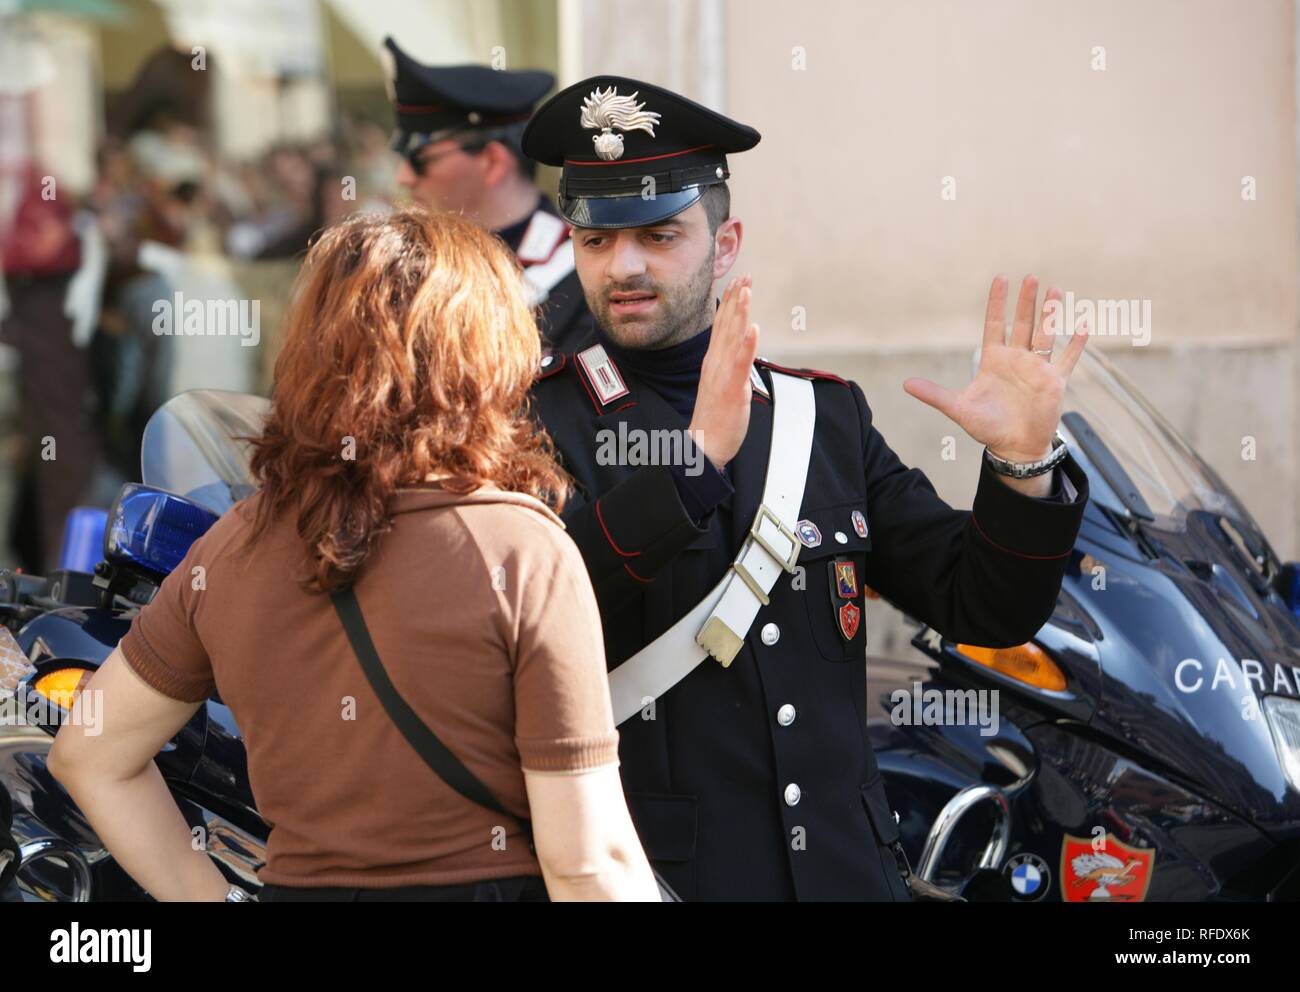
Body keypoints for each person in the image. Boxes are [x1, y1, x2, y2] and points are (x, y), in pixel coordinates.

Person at [521, 76, 1092, 900]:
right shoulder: (534, 424)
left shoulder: (822, 416)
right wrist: (691, 471)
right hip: (666, 881)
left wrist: (1021, 466)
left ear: (725, 246)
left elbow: (982, 606)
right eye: (597, 241)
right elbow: (536, 632)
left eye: (659, 234)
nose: (625, 265)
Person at [48, 209, 659, 902]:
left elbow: (90, 755)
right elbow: (588, 866)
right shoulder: (522, 551)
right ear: (486, 354)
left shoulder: (229, 548)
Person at [385, 37, 595, 353]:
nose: (404, 177)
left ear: (493, 162)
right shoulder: (404, 269)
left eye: (420, 160)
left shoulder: (580, 278)